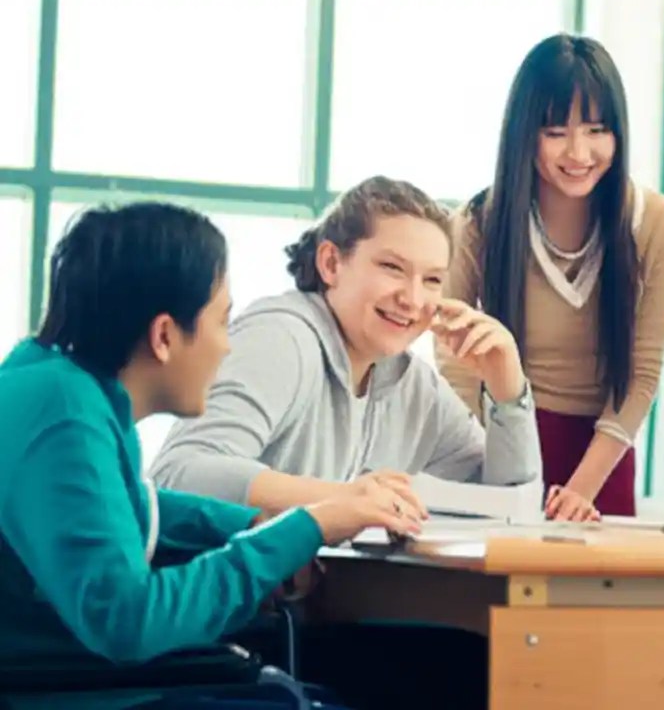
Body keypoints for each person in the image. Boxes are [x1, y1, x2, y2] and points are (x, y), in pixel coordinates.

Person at [0, 203, 413, 704]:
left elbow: (140, 505)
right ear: (165, 336)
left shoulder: (61, 388)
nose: (227, 347)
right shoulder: (63, 413)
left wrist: (254, 525)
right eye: (222, 321)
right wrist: (307, 528)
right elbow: (127, 621)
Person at [148, 175, 540, 517]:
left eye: (433, 280)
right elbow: (178, 474)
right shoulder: (282, 338)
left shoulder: (410, 382)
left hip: (321, 596)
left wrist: (508, 390)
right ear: (331, 264)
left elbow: (510, 507)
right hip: (226, 598)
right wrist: (343, 501)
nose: (414, 299)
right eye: (392, 268)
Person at [440, 33, 664, 520]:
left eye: (597, 129)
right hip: (505, 439)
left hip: (605, 452)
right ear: (524, 133)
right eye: (555, 132)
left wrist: (582, 490)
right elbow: (456, 367)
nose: (579, 151)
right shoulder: (477, 222)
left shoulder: (654, 221)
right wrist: (495, 472)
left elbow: (642, 375)